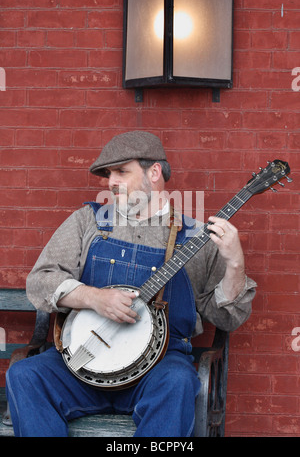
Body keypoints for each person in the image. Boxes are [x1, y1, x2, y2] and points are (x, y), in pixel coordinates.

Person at [5, 131, 256, 437]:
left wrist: (234, 263)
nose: (111, 182)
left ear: (154, 173)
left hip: (157, 372)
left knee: (179, 381)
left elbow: (227, 316)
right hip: (81, 364)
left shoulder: (197, 237)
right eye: (108, 174)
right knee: (25, 373)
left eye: (122, 171)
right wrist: (94, 298)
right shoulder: (89, 221)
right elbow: (41, 280)